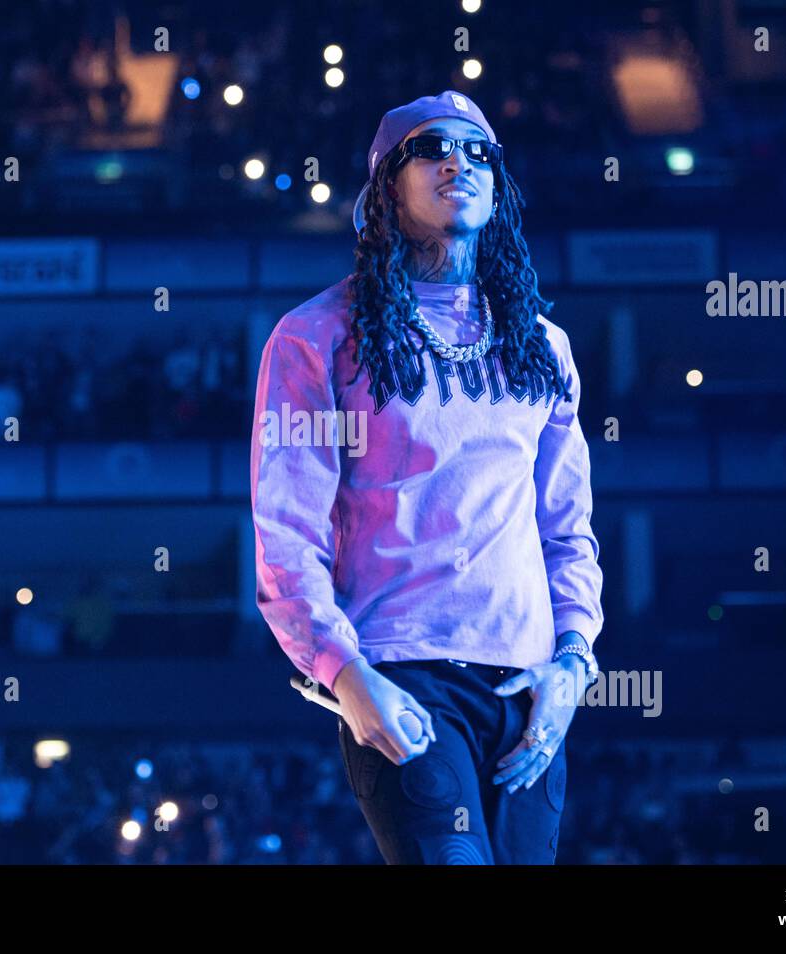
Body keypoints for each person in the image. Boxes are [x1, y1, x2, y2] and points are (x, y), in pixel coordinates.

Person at [250, 91, 604, 864]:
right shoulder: (317, 338)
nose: (459, 162)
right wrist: (345, 676)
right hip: (401, 679)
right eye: (431, 148)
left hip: (527, 685)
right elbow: (287, 535)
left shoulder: (545, 347)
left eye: (480, 152)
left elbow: (566, 529)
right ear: (384, 186)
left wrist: (574, 663)